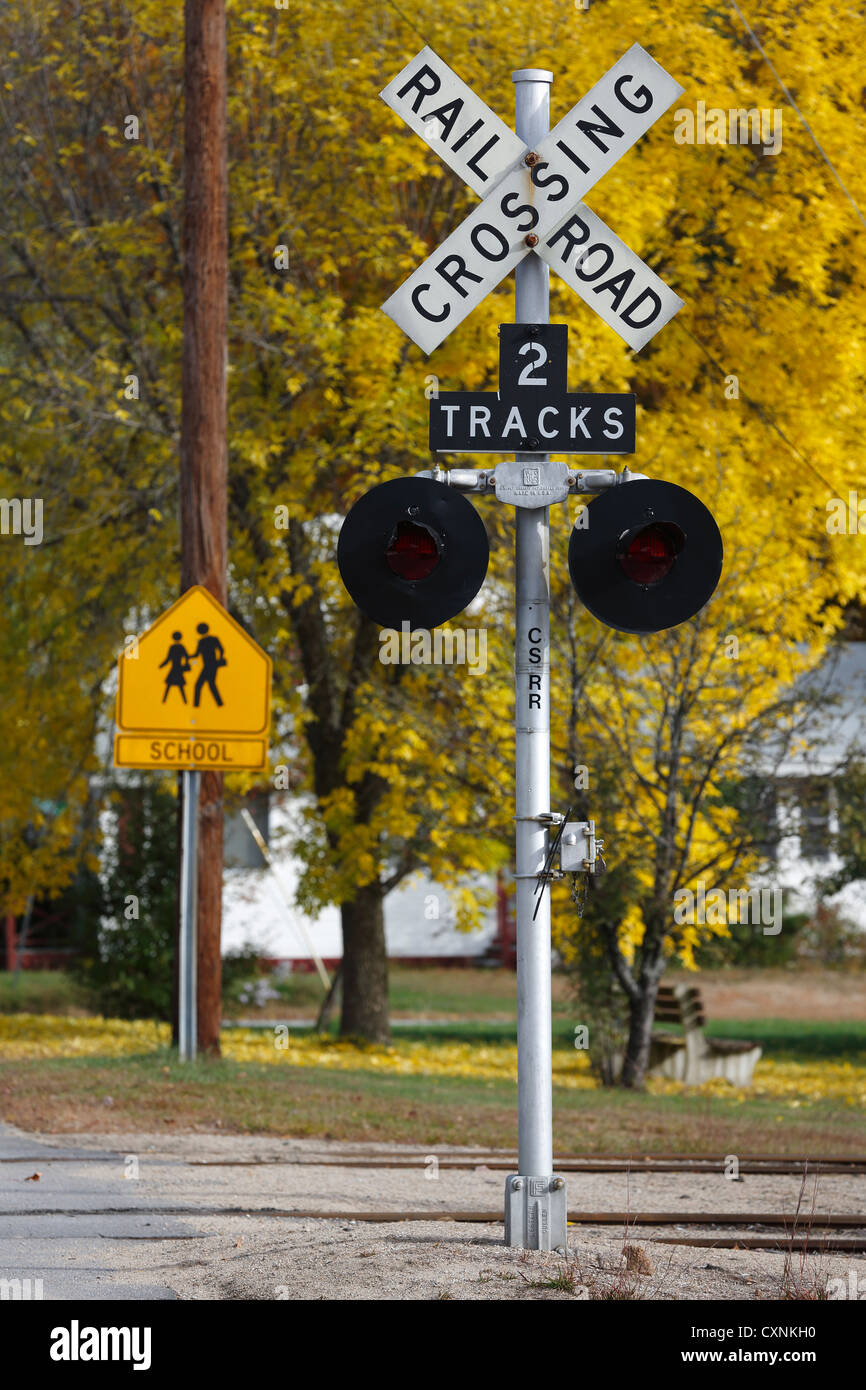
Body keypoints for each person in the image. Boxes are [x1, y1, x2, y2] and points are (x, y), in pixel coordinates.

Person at [191, 621, 226, 707]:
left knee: (200, 685)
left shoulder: (206, 640)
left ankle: (197, 705)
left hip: (210, 665)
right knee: (208, 685)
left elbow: (221, 649)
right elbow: (221, 649)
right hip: (209, 666)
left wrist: (220, 658)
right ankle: (219, 704)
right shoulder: (205, 640)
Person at [159, 631, 191, 704]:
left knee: (173, 685)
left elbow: (168, 659)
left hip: (176, 668)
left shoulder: (174, 647)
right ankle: (165, 700)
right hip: (178, 668)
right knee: (173, 685)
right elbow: (186, 657)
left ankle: (184, 701)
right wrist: (162, 665)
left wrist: (162, 665)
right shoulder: (179, 647)